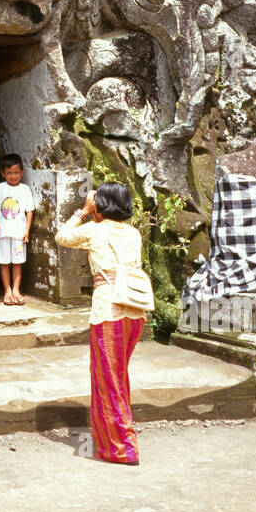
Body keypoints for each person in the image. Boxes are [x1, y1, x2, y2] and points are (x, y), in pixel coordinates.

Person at [55, 183, 147, 465]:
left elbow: (62, 236)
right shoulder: (133, 233)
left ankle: (123, 448)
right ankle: (111, 443)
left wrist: (83, 211)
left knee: (108, 380)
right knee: (118, 377)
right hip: (134, 313)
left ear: (101, 204)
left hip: (108, 312)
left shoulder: (95, 230)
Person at [0, 154, 34, 306]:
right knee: (3, 262)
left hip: (19, 234)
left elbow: (29, 211)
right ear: (3, 173)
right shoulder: (0, 188)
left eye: (16, 172)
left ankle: (16, 289)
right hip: (2, 233)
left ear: (22, 172)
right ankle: (7, 290)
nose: (13, 176)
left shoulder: (25, 189)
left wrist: (27, 230)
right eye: (9, 173)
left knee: (17, 263)